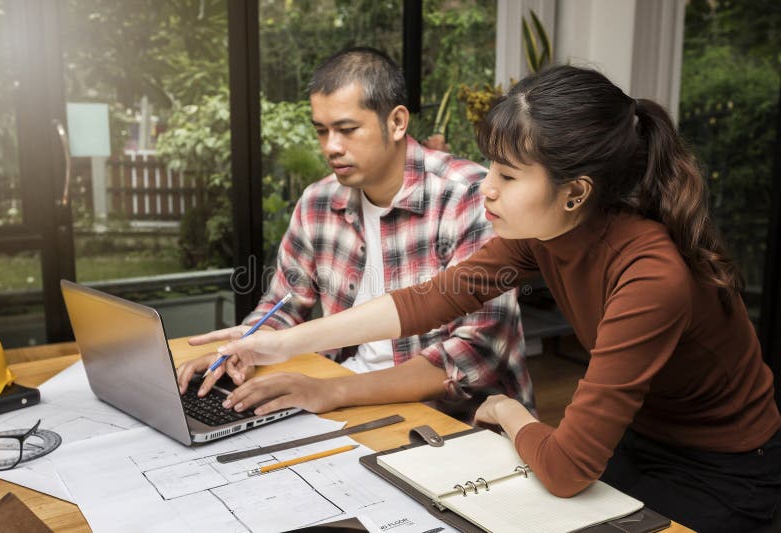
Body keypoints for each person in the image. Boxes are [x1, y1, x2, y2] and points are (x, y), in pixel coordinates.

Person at [205, 65, 781, 532]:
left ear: (576, 192)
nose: (486, 186)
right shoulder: (546, 235)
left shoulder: (650, 275)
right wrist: (280, 344)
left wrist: (508, 411)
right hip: (642, 434)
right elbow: (427, 301)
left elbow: (564, 468)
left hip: (726, 462)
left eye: (507, 175)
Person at [177, 47, 532, 420]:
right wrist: (241, 350)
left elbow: (477, 352)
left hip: (453, 421)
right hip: (340, 398)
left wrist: (332, 391)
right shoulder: (318, 201)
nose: (331, 146)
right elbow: (282, 305)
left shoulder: (469, 196)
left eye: (347, 130)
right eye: (321, 131)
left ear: (396, 122)